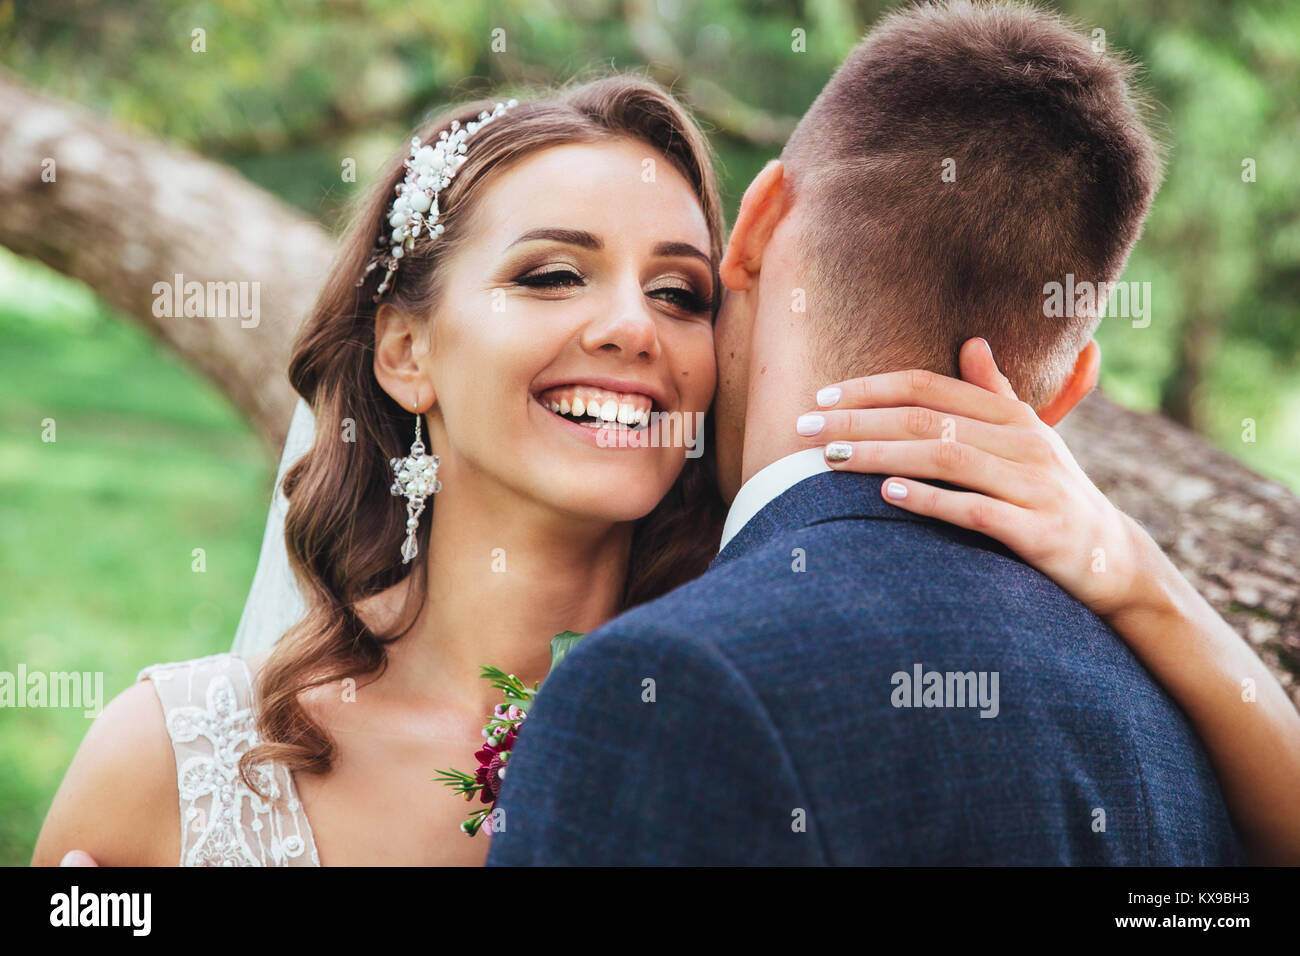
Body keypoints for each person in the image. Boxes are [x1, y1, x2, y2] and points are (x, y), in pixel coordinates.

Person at [32, 6, 1300, 869]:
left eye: (682, 291)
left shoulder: (756, 689)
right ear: (405, 348)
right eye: (549, 275)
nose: (630, 326)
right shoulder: (171, 756)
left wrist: (1140, 575)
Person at [483, 2, 1299, 865]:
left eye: (678, 292)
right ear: (1067, 389)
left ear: (757, 225)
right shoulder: (1189, 726)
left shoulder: (661, 690)